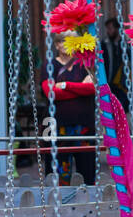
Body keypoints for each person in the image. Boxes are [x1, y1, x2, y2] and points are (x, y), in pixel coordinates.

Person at [40, 34, 97, 185]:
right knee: (58, 175)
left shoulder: (84, 64)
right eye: (62, 41)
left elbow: (92, 89)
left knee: (87, 172)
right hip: (56, 127)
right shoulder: (49, 65)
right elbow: (51, 93)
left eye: (69, 41)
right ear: (57, 45)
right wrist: (80, 88)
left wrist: (65, 86)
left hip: (84, 126)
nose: (65, 44)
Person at [101, 16, 129, 112]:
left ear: (117, 29)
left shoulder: (126, 45)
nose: (108, 31)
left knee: (124, 111)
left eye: (110, 28)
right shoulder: (105, 45)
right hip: (110, 83)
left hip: (123, 85)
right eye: (107, 29)